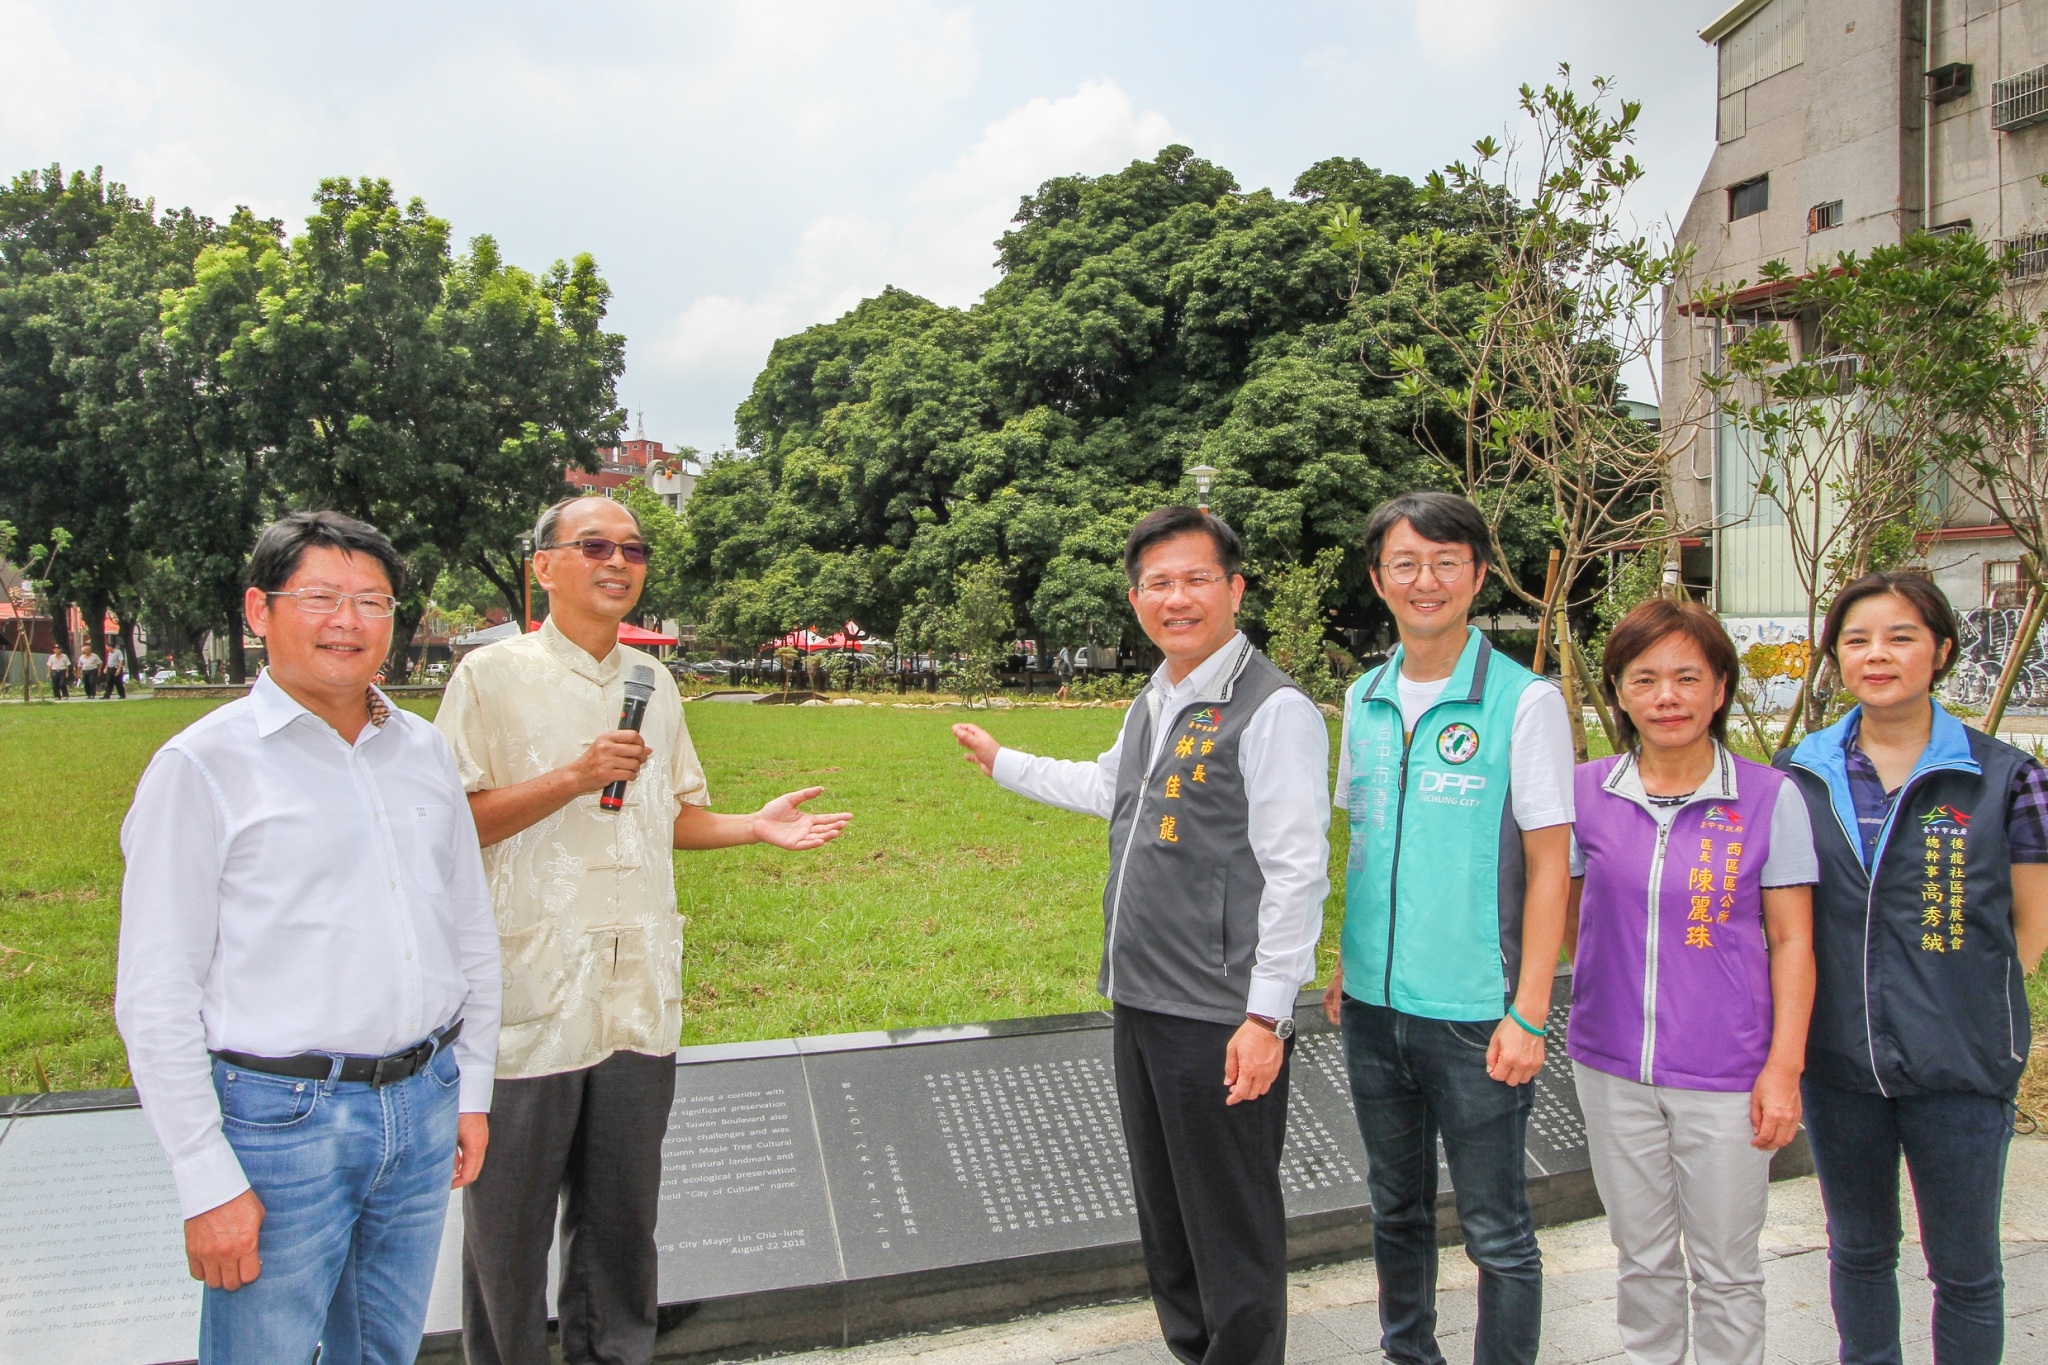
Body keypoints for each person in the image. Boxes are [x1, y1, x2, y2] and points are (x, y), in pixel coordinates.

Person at [436, 495, 851, 1365]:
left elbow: (668, 813)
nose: (618, 561)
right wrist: (573, 775)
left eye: (634, 548)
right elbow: (451, 821)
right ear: (543, 565)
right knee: (505, 1235)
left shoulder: (653, 683)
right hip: (530, 996)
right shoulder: (489, 677)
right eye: (594, 545)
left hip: (634, 995)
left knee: (623, 1222)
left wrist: (753, 825)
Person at [114, 511, 502, 1365]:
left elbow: (468, 925)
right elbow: (155, 991)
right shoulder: (201, 766)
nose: (349, 622)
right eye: (321, 597)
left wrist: (469, 1086)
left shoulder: (424, 750)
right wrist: (204, 1176)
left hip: (423, 1099)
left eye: (372, 601)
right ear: (259, 611)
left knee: (384, 1351)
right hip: (283, 1122)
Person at [954, 505, 1330, 1365]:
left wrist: (1268, 1016)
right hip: (1143, 999)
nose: (1177, 598)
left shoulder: (1273, 711)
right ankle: (1192, 1350)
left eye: (1197, 579)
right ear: (1135, 599)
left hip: (1221, 1014)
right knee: (1167, 1212)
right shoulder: (1157, 697)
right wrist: (1004, 761)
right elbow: (1107, 788)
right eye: (1158, 583)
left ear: (1236, 589)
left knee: (1229, 1219)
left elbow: (1298, 871)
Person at [1321, 490, 1573, 1365]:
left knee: (1497, 1229)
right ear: (1379, 578)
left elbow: (1551, 865)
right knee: (1394, 1207)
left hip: (1477, 1014)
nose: (1425, 580)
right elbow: (1364, 840)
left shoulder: (1524, 701)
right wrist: (1347, 966)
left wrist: (1530, 1009)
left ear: (1477, 574)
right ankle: (1408, 1354)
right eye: (1405, 563)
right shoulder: (1364, 697)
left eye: (1445, 562)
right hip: (1371, 1007)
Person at [1775, 572, 2048, 1365]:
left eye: (1900, 636)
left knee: (1965, 1269)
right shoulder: (1799, 774)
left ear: (1942, 651)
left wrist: (1964, 1005)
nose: (1877, 654)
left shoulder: (2004, 777)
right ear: (1836, 658)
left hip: (1960, 1065)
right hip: (1837, 1064)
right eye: (1856, 639)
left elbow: (2030, 925)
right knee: (1858, 1250)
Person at [1565, 599, 1817, 1365]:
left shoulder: (1772, 798)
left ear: (1719, 689)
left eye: (1686, 677)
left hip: (1727, 1072)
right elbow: (1563, 922)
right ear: (1618, 692)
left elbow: (1793, 939)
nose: (1666, 696)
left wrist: (1783, 1066)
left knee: (1727, 1267)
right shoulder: (1583, 795)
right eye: (1644, 678)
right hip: (1610, 1064)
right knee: (1640, 1256)